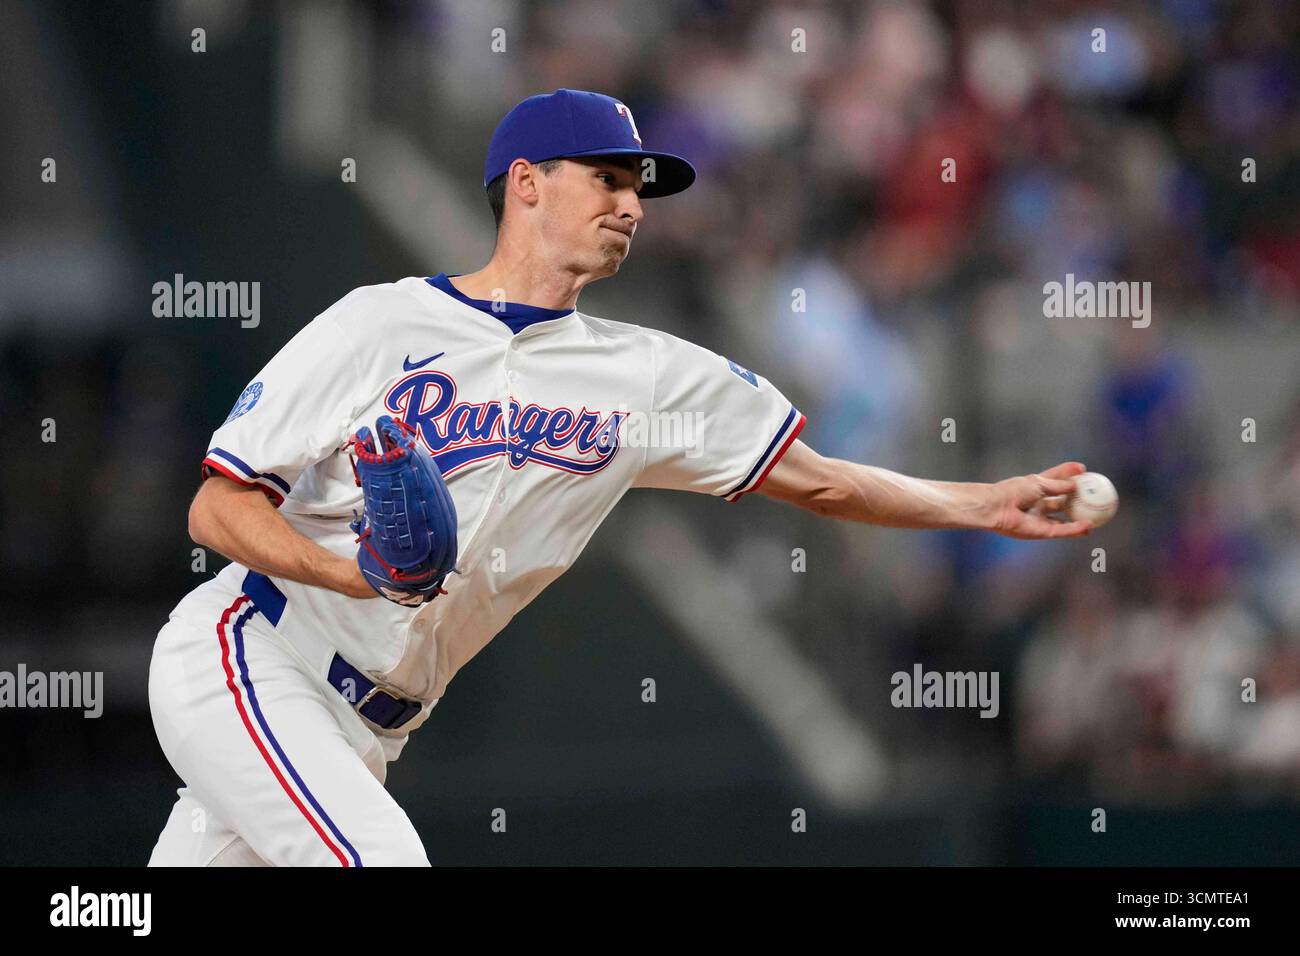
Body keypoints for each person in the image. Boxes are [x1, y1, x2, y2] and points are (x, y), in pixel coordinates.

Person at [146, 89, 1091, 866]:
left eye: (639, 186)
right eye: (607, 179)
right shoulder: (379, 327)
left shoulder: (644, 376)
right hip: (251, 656)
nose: (632, 205)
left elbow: (820, 482)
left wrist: (983, 504)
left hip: (373, 729)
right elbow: (215, 507)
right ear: (526, 184)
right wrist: (354, 573)